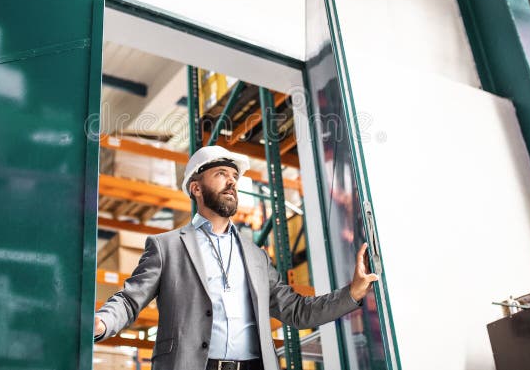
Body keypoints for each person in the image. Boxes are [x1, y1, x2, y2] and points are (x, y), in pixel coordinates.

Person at [94, 145, 378, 370]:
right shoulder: (166, 247)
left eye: (234, 177)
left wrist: (351, 293)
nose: (231, 182)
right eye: (220, 174)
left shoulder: (255, 255)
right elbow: (130, 300)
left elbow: (297, 311)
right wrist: (103, 322)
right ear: (196, 187)